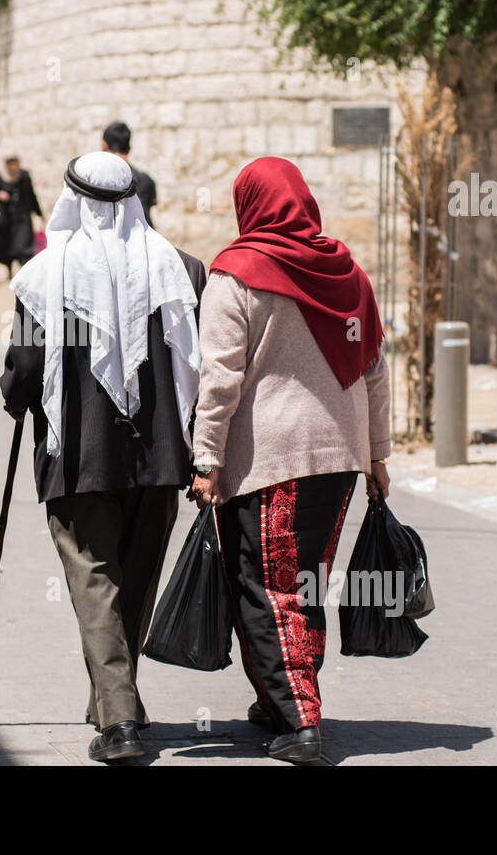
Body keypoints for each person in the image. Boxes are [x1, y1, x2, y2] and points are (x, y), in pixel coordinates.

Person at [0, 151, 205, 763]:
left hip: (80, 456)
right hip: (161, 457)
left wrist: (14, 399)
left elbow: (26, 368)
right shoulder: (182, 269)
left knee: (96, 579)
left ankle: (117, 720)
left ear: (73, 200)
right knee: (135, 578)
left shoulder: (44, 276)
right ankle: (117, 700)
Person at [188, 157, 391, 764]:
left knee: (267, 584)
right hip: (339, 456)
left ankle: (301, 719)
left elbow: (218, 378)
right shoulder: (347, 272)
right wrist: (378, 455)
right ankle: (277, 699)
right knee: (307, 580)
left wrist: (205, 460)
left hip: (272, 458)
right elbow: (376, 370)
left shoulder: (238, 273)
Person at [0, 153, 42, 278]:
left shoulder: (24, 175)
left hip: (22, 215)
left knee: (24, 244)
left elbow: (31, 195)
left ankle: (24, 271)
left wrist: (39, 213)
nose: (12, 166)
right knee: (7, 245)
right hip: (6, 217)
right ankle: (9, 270)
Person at [102, 121, 157, 228]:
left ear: (104, 145)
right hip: (145, 240)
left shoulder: (100, 180)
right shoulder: (146, 180)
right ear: (129, 147)